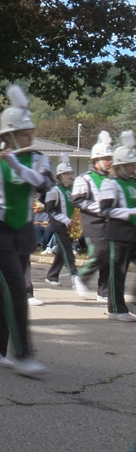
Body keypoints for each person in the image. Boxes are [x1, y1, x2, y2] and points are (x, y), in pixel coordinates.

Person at [0, 85, 54, 377]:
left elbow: (44, 185)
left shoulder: (38, 159)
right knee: (16, 289)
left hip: (22, 233)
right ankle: (24, 355)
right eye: (24, 134)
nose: (30, 138)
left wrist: (16, 164)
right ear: (9, 136)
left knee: (7, 290)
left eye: (31, 133)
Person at [97, 132, 136, 322]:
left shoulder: (134, 182)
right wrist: (130, 211)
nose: (133, 167)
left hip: (134, 231)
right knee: (118, 272)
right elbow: (105, 210)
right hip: (118, 232)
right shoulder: (109, 183)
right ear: (120, 165)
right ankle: (116, 308)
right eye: (130, 165)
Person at [72, 131, 114, 303]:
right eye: (106, 158)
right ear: (96, 160)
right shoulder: (85, 179)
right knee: (99, 252)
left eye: (111, 158)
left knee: (110, 256)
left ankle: (103, 292)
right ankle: (81, 277)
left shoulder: (112, 179)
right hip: (92, 222)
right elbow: (77, 200)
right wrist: (99, 208)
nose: (110, 162)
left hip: (110, 222)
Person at [44, 155, 81, 287]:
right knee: (67, 251)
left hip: (70, 224)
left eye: (71, 174)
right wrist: (64, 219)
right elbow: (49, 209)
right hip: (58, 224)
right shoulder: (54, 190)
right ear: (61, 176)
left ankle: (52, 276)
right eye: (68, 174)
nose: (71, 176)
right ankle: (75, 277)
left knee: (62, 251)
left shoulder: (71, 189)